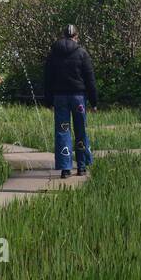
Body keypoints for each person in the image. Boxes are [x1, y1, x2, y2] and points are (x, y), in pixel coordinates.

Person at [42, 24, 97, 178]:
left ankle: (65, 168)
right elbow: (90, 78)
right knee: (81, 130)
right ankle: (81, 167)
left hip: (59, 98)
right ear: (76, 36)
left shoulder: (53, 54)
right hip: (78, 98)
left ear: (63, 35)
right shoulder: (82, 53)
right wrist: (94, 102)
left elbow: (47, 79)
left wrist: (48, 101)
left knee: (62, 131)